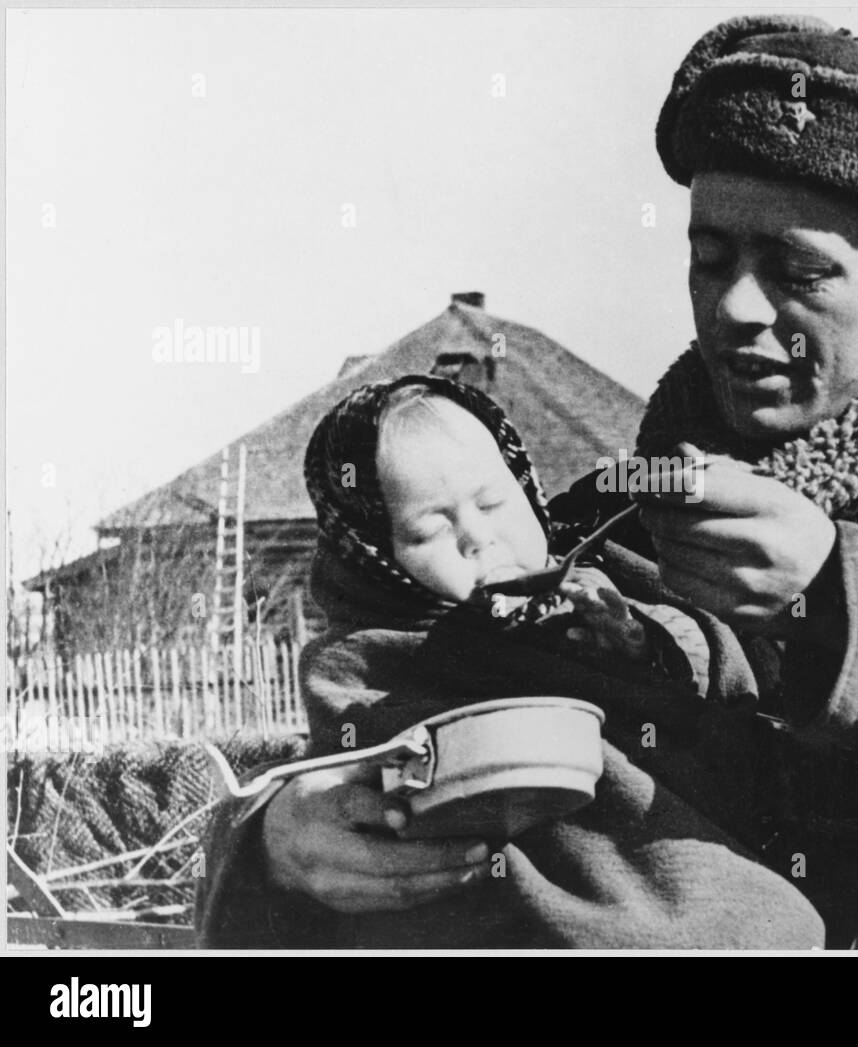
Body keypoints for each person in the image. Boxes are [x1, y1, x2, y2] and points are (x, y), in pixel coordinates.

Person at [207, 14, 858, 947]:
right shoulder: (586, 536)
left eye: (799, 269)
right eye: (710, 256)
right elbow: (381, 724)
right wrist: (276, 847)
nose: (733, 309)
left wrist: (839, 593)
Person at [196, 374, 824, 948]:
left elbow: (718, 692)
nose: (477, 536)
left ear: (525, 485)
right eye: (428, 532)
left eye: (493, 504)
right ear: (374, 558)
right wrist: (270, 829)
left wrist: (636, 644)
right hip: (502, 895)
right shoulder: (376, 652)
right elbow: (349, 754)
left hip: (677, 859)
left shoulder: (608, 574)